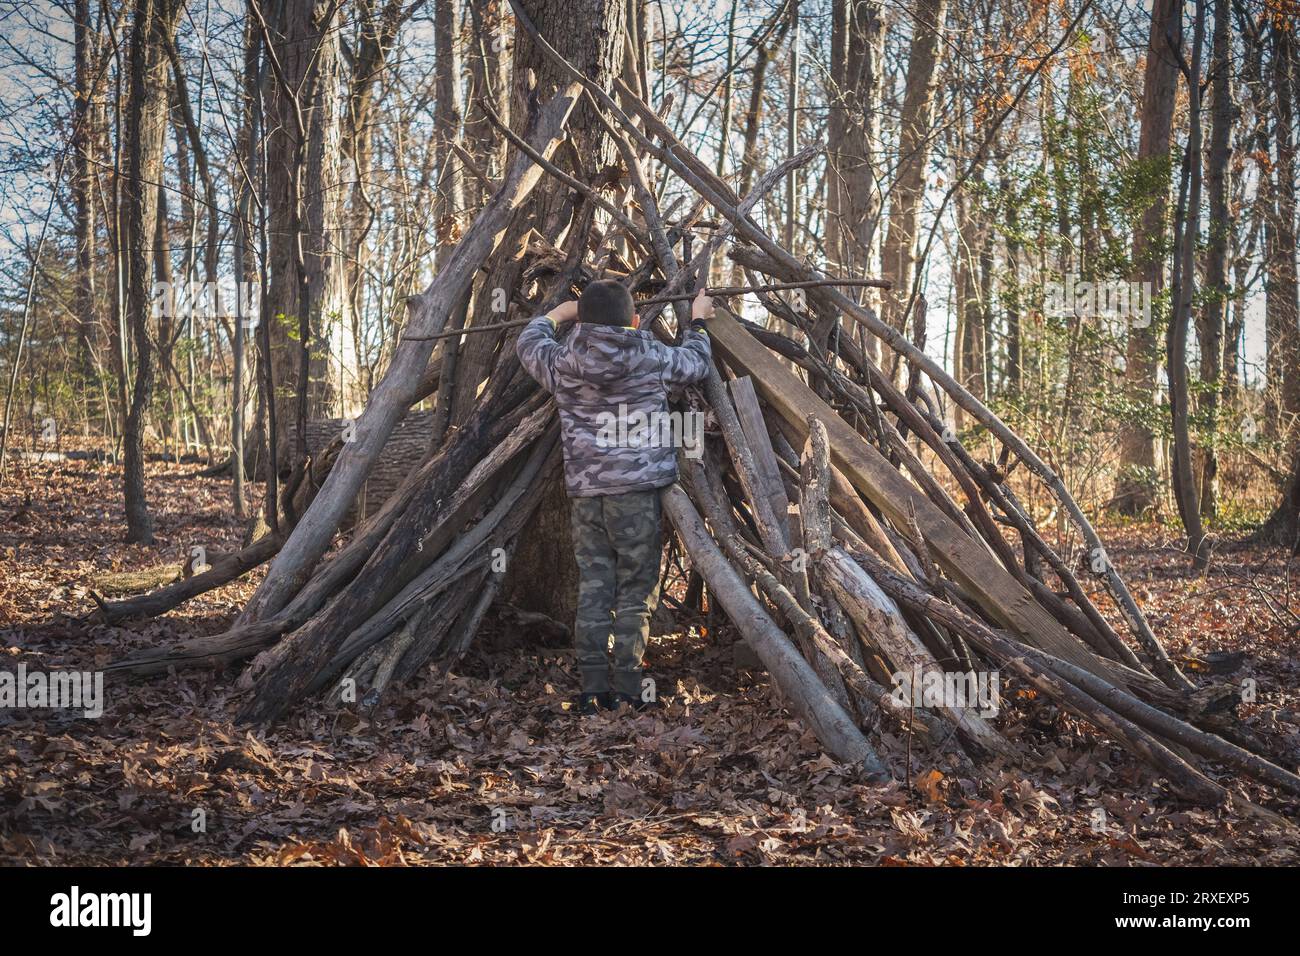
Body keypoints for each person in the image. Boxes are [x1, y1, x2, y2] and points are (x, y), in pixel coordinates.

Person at [516, 280, 714, 714]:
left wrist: (560, 314)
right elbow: (697, 362)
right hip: (637, 492)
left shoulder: (564, 359)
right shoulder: (650, 355)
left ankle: (591, 689)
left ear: (581, 320)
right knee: (636, 589)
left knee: (594, 585)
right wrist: (697, 319)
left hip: (587, 492)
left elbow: (528, 340)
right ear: (636, 321)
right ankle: (626, 687)